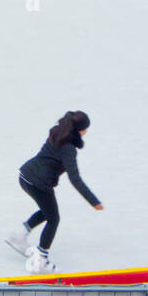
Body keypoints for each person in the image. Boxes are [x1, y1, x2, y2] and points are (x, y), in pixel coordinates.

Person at [7, 110, 103, 273]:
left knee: (47, 211)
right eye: (86, 128)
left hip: (25, 176)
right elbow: (75, 179)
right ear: (80, 130)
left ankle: (19, 235)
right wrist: (94, 201)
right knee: (53, 218)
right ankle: (41, 260)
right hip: (40, 183)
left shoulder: (57, 132)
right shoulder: (69, 149)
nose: (87, 131)